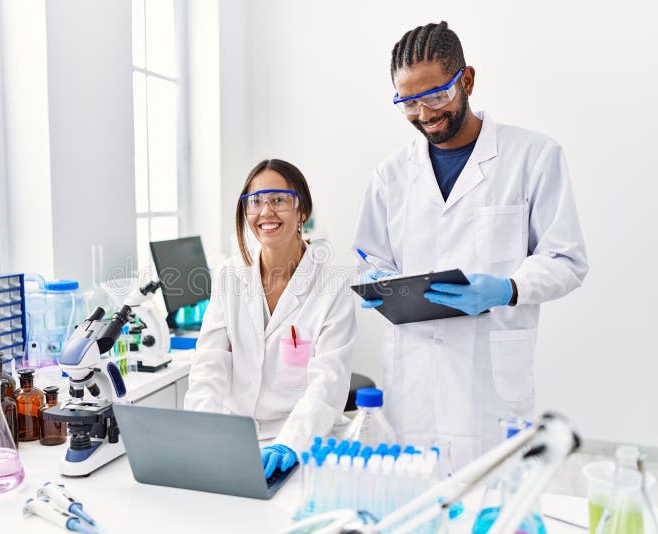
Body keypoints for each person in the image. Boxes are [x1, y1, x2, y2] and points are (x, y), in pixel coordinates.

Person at [353, 21, 588, 467]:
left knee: (491, 489)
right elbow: (369, 257)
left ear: (467, 81)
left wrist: (508, 288)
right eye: (408, 102)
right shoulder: (390, 174)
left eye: (436, 95)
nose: (424, 114)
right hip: (413, 379)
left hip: (489, 381)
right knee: (414, 488)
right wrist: (376, 280)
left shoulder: (533, 156)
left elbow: (567, 259)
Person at [185, 159, 356, 478]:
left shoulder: (333, 285)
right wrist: (202, 431)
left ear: (302, 210)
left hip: (303, 439)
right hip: (237, 438)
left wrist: (290, 444)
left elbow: (329, 381)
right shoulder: (229, 275)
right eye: (255, 202)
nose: (265, 212)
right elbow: (209, 364)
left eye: (278, 199)